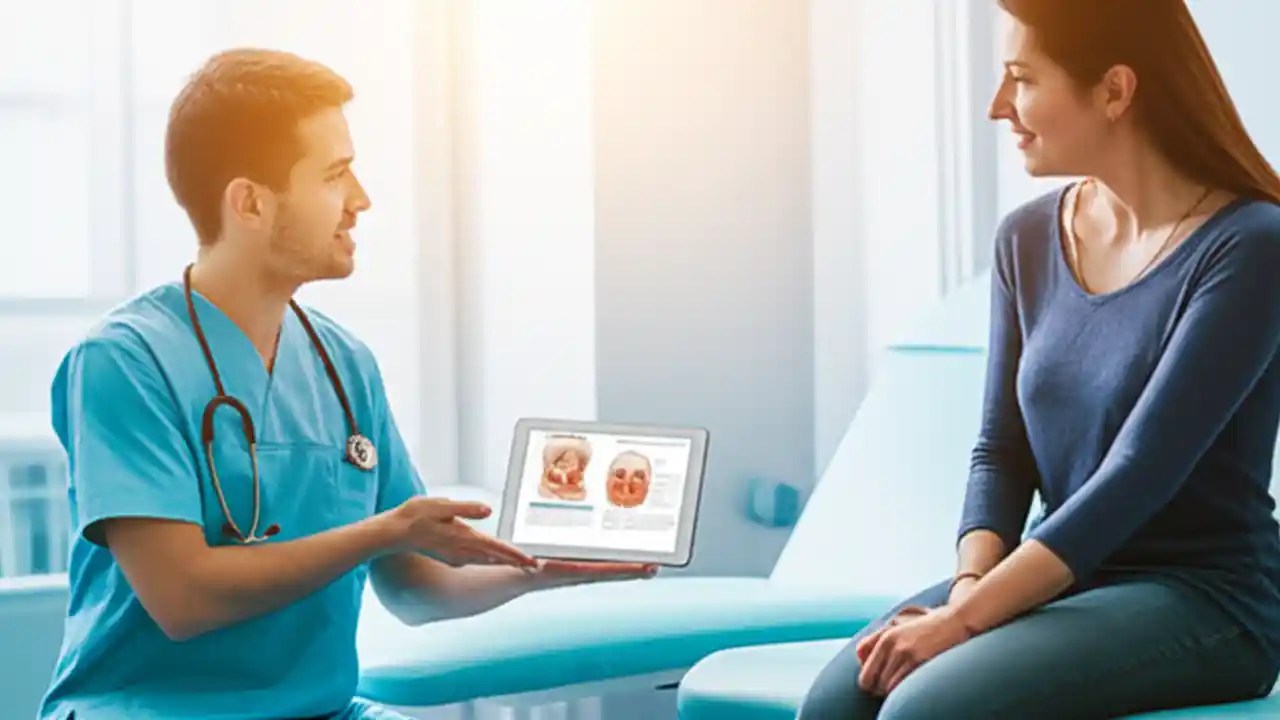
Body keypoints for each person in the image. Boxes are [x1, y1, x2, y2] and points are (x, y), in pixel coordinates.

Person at [37, 48, 656, 720]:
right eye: (335, 176)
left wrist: (534, 570)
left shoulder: (342, 363)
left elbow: (413, 589)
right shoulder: (123, 363)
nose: (360, 201)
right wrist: (380, 532)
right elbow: (184, 599)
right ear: (249, 203)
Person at [798, 1, 1280, 718]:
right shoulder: (1025, 238)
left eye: (1021, 79)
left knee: (924, 708)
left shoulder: (1251, 245)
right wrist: (967, 594)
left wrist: (964, 625)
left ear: (1115, 91)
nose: (999, 107)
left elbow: (1136, 476)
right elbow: (1000, 453)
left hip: (1205, 599)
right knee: (839, 702)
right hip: (1059, 577)